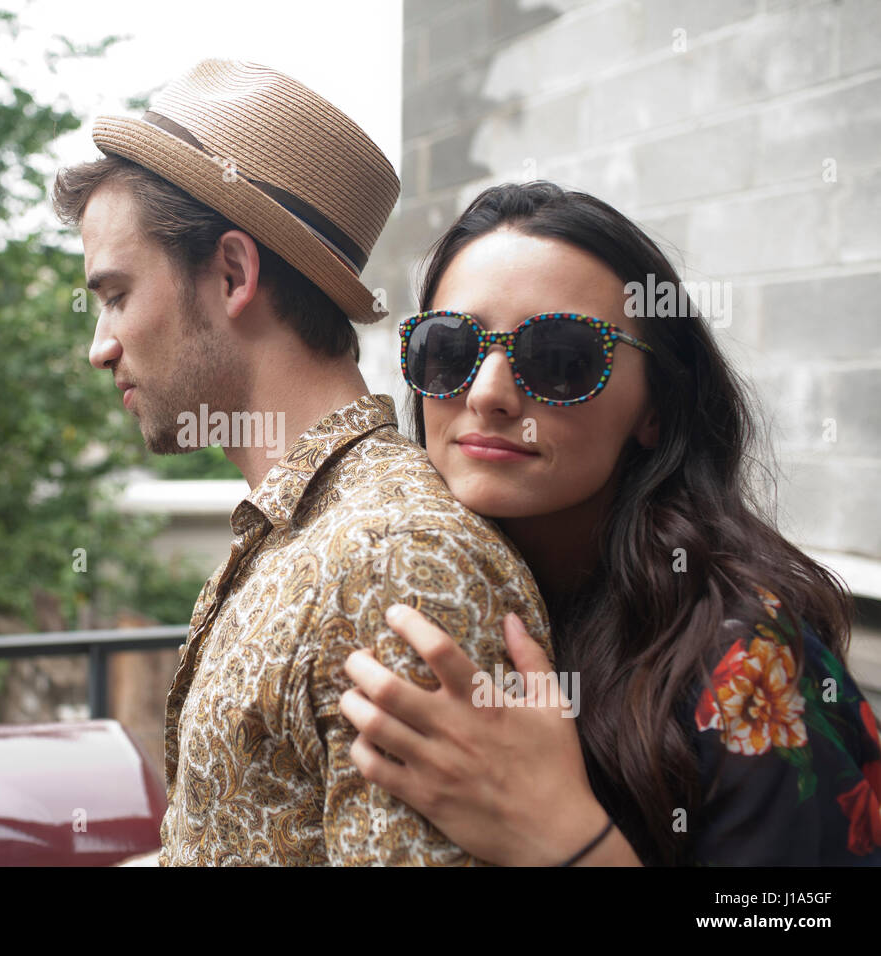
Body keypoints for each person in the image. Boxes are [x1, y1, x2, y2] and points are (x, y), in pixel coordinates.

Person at [52, 60, 551, 865]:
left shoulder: (393, 561)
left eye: (115, 294)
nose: (99, 347)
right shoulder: (305, 533)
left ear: (232, 274)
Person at [338, 181, 881, 865]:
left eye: (561, 359)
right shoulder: (408, 590)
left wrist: (566, 836)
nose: (487, 394)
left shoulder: (748, 661)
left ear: (656, 410)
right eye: (449, 349)